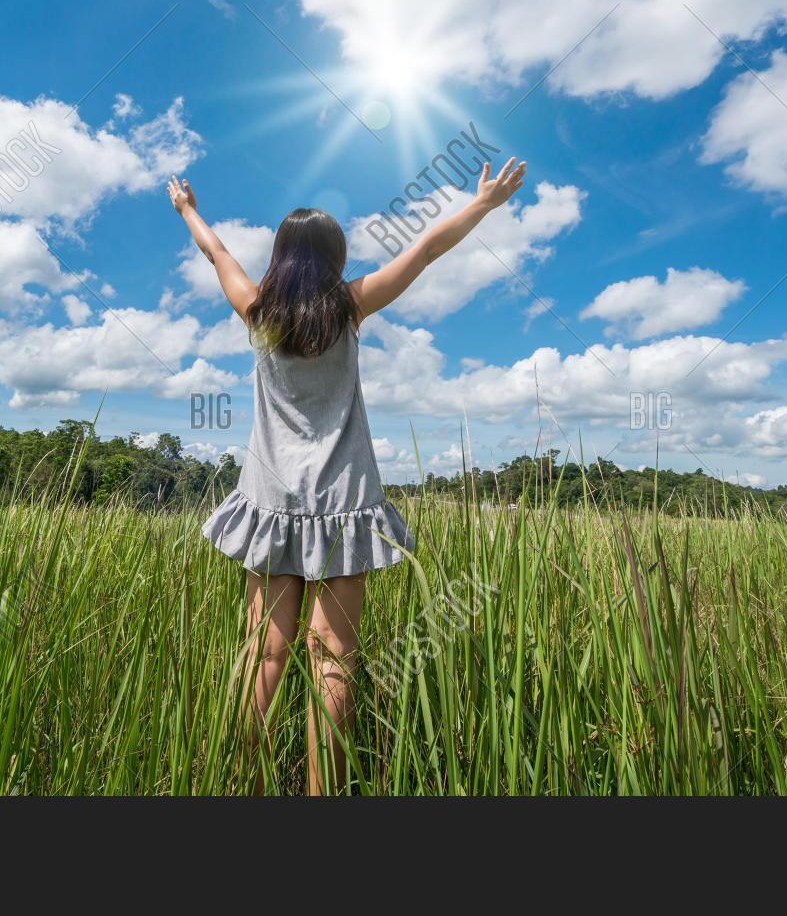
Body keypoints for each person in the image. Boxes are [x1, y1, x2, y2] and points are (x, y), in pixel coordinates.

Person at [167, 156, 527, 794]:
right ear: (334, 259)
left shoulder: (256, 310)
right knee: (334, 661)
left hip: (270, 498)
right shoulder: (350, 306)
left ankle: (248, 784)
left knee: (264, 650)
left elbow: (215, 251)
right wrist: (483, 204)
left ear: (280, 257)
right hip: (345, 499)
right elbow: (425, 250)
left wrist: (188, 209)